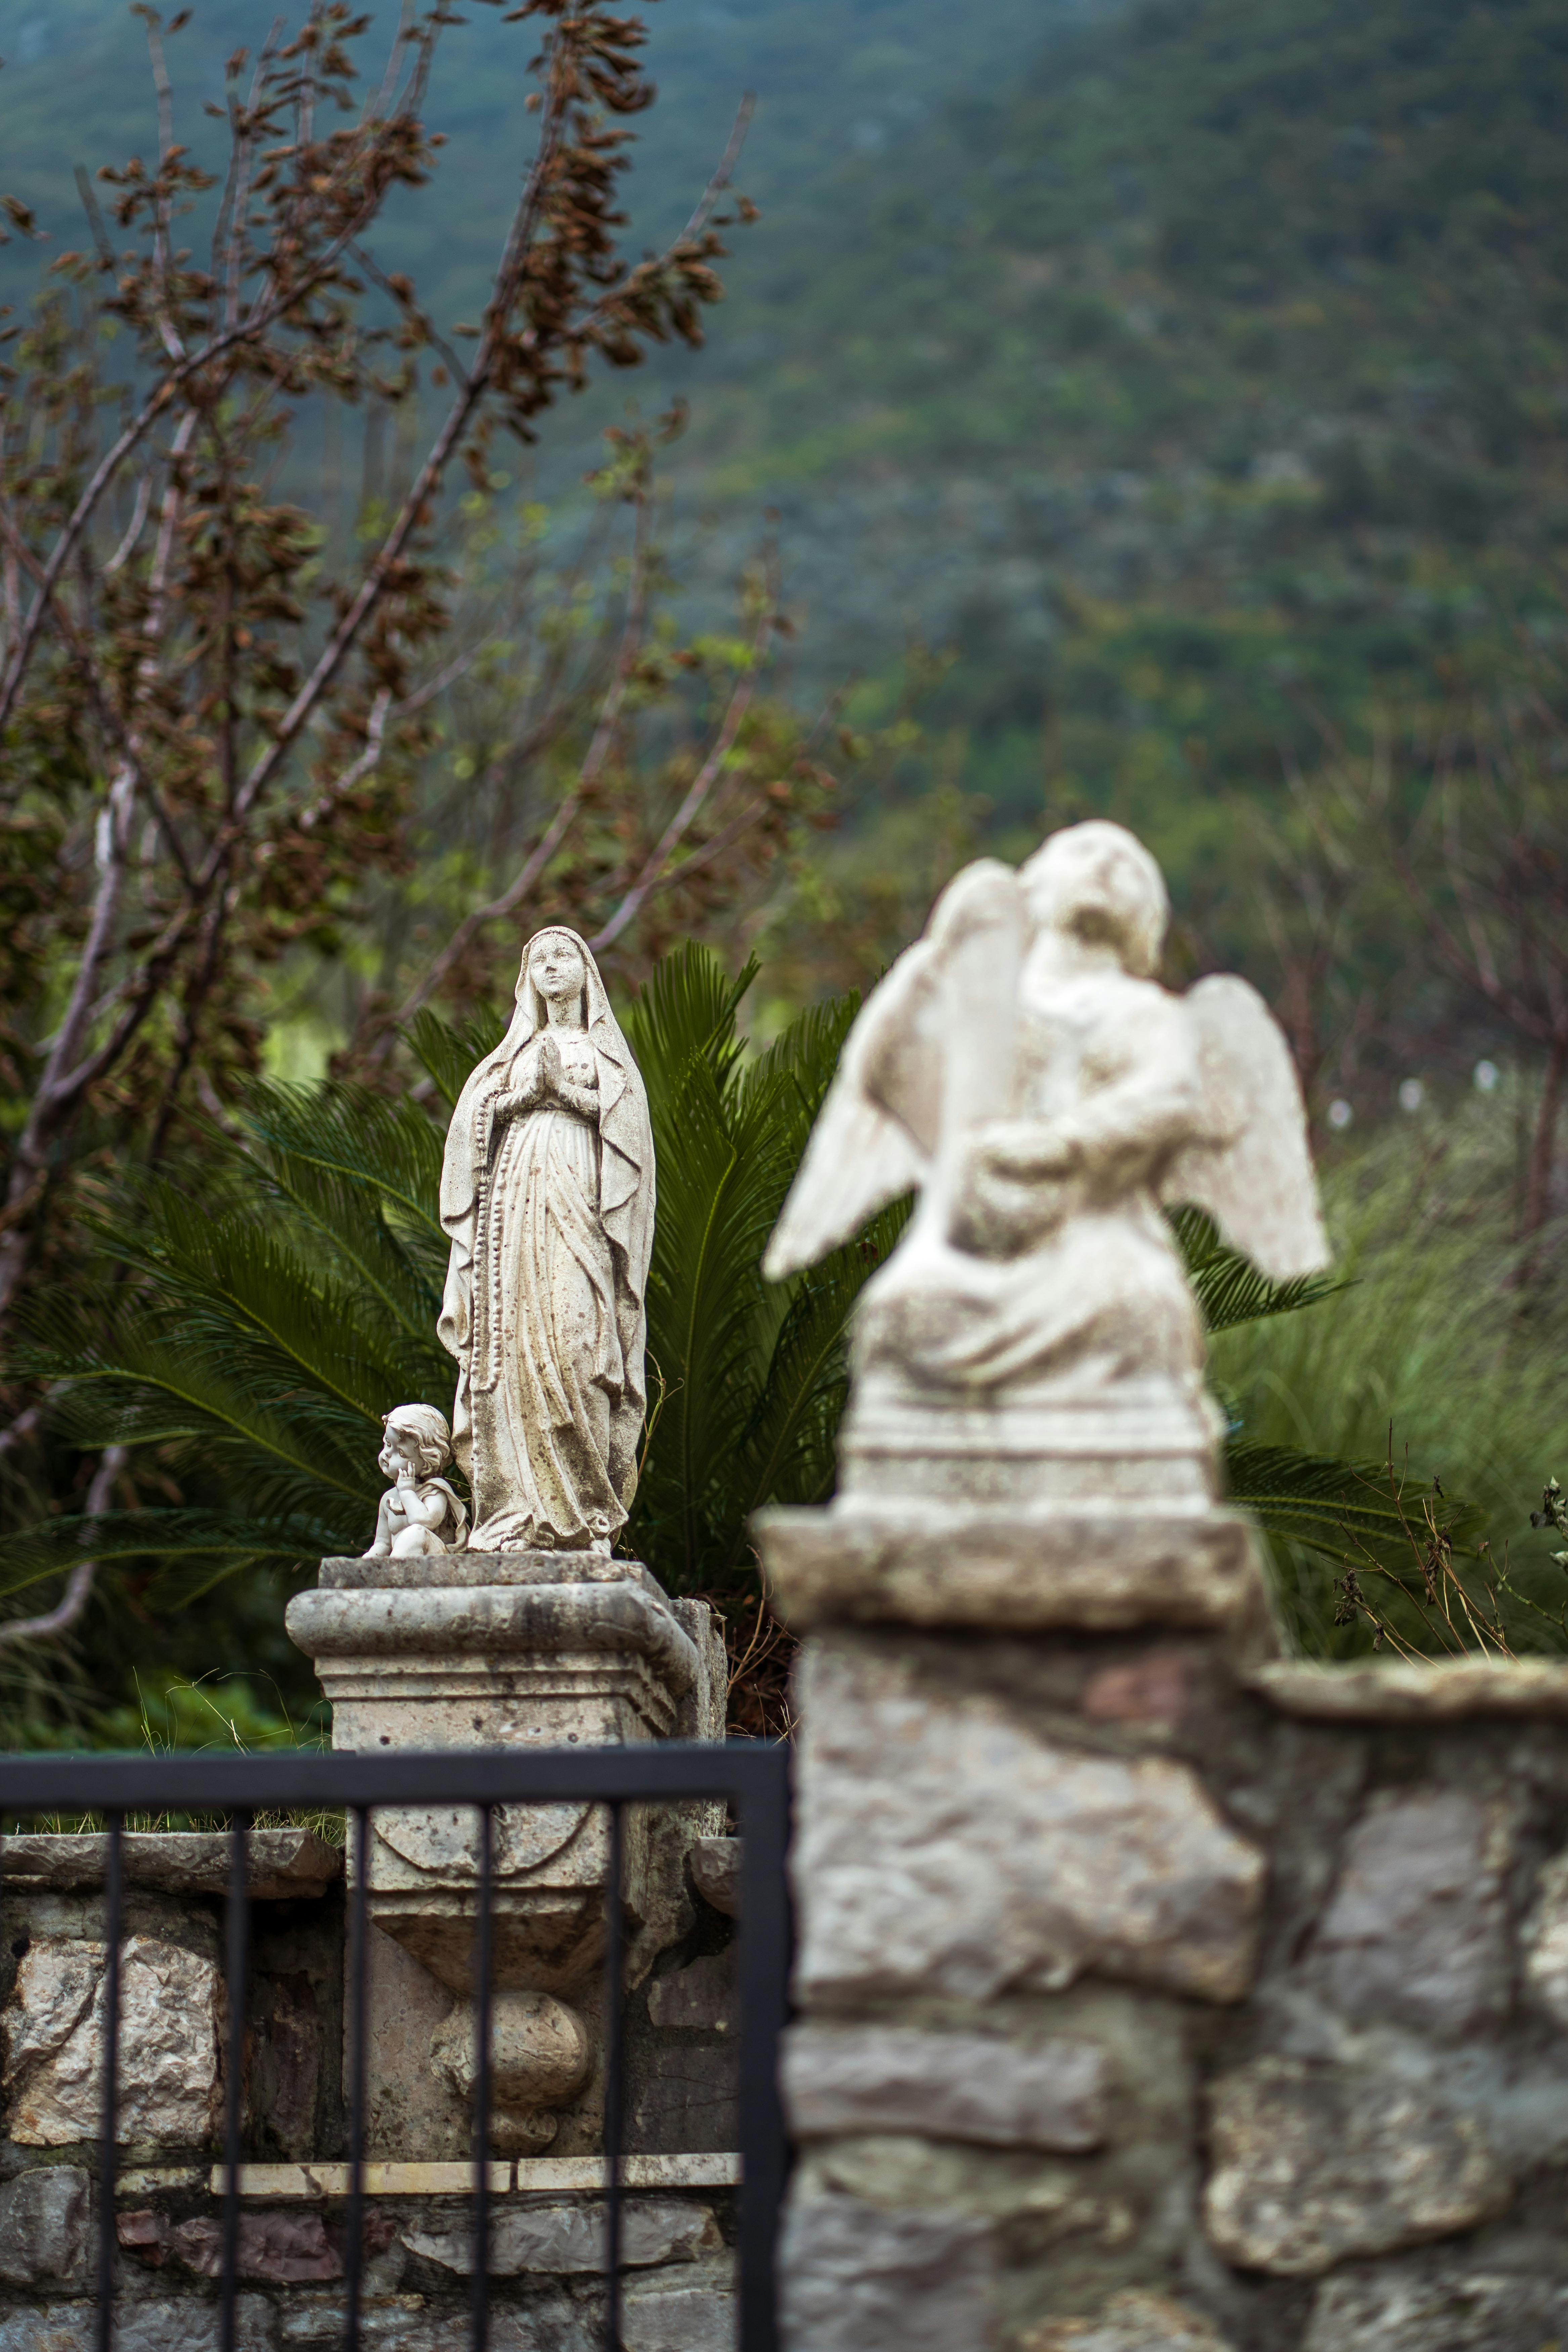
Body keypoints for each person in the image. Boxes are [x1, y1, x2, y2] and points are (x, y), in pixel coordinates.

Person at [437, 927, 655, 1553]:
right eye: (539, 960)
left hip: (579, 1196)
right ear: (526, 977)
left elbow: (630, 1136)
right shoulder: (508, 1057)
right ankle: (513, 1509)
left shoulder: (605, 1054)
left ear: (586, 971)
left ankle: (585, 1512)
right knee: (509, 1344)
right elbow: (469, 1130)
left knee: (578, 1341)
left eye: (564, 956)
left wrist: (571, 1097)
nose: (552, 968)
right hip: (514, 1204)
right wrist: (519, 1099)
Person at [370, 1403, 469, 1557]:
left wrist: (408, 1492)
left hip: (435, 1562)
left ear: (426, 1463)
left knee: (416, 1534)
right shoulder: (388, 1499)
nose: (388, 1454)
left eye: (401, 1453)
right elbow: (383, 1543)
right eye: (388, 1444)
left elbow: (425, 1522)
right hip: (401, 1567)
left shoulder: (435, 1491)